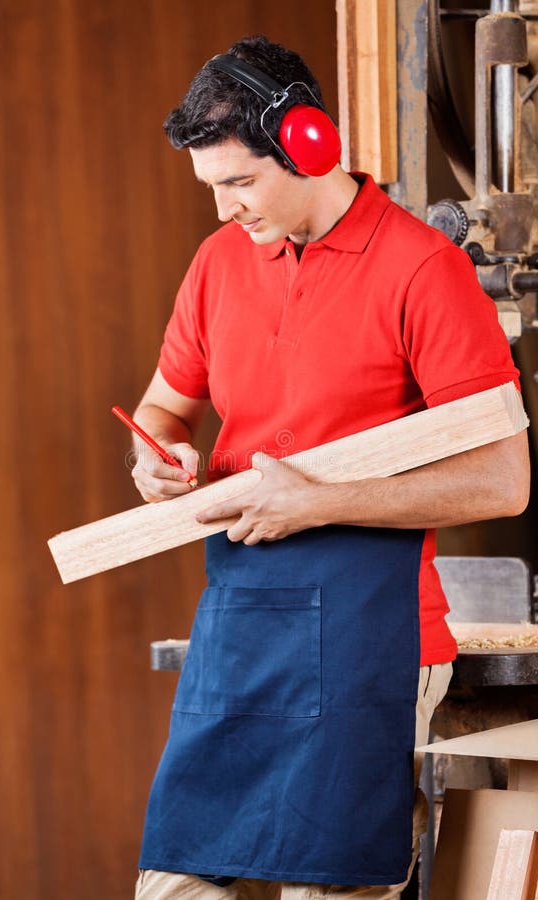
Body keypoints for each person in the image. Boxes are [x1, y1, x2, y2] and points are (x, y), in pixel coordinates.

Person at [130, 35, 529, 900]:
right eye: (212, 189)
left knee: (334, 885)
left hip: (374, 634)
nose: (225, 210)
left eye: (241, 182)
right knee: (177, 885)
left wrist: (319, 500)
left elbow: (505, 480)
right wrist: (155, 452)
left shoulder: (425, 272)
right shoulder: (219, 265)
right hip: (242, 620)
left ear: (309, 144)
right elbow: (164, 405)